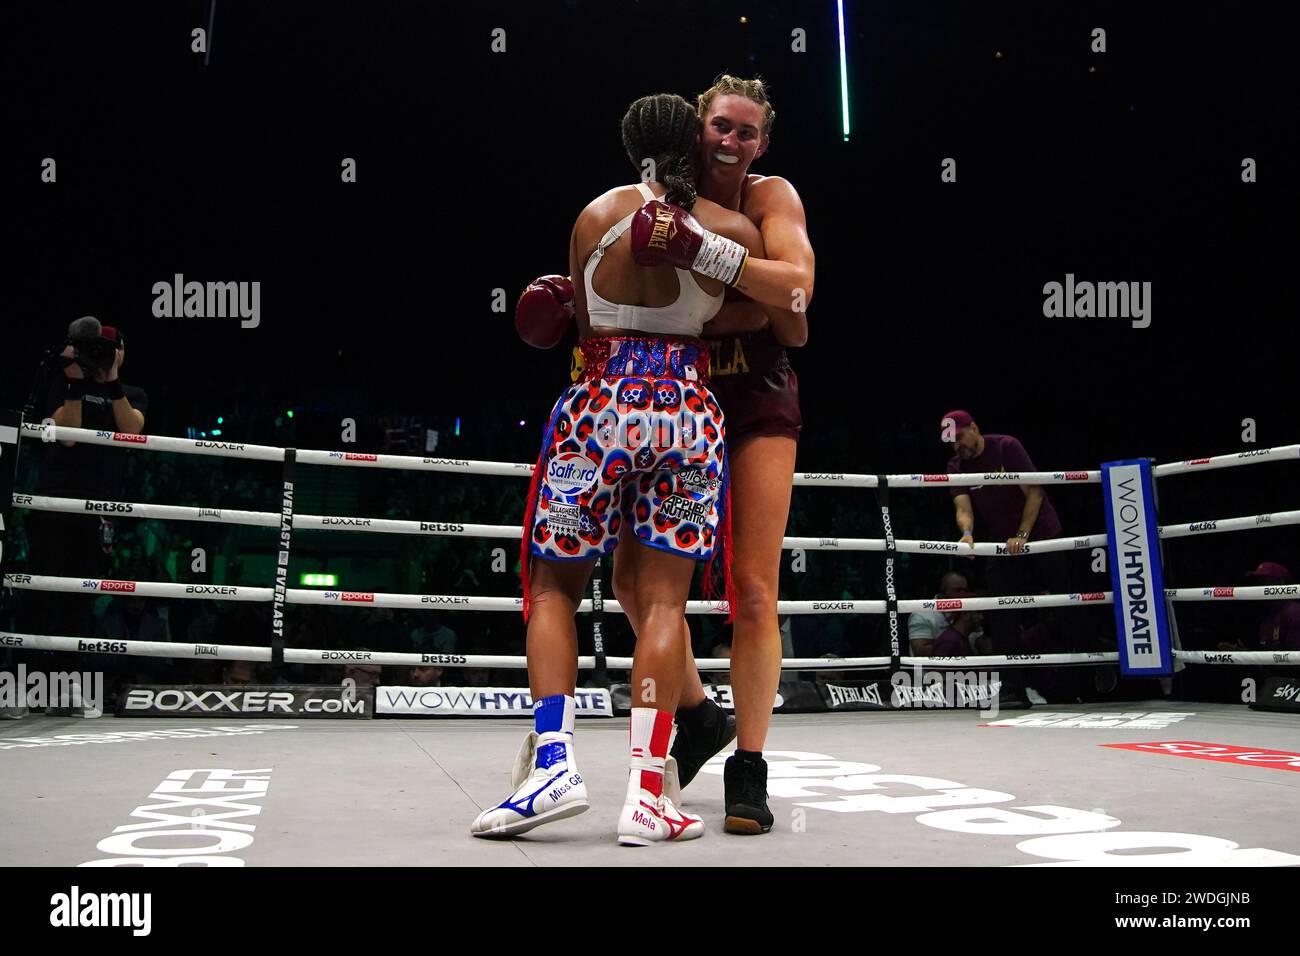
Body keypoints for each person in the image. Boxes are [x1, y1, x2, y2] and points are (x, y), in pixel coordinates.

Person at [475, 93, 768, 845]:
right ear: (695, 148)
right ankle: (645, 794)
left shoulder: (594, 215)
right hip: (688, 409)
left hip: (600, 402)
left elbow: (575, 320)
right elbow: (767, 311)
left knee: (551, 590)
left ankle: (553, 765)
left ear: (627, 144)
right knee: (665, 603)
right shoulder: (730, 229)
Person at [623, 75, 815, 836]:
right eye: (720, 128)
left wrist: (708, 258)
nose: (730, 141)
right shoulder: (659, 192)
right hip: (675, 393)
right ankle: (702, 716)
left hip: (759, 396)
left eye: (746, 132)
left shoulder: (773, 199)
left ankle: (750, 767)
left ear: (762, 142)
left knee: (753, 585)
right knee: (634, 584)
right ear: (698, 128)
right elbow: (635, 289)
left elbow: (797, 303)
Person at [20, 318, 147, 644]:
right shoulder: (62, 384)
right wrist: (76, 381)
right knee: (43, 593)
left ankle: (73, 677)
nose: (100, 354)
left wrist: (112, 379)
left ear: (121, 353)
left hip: (99, 509)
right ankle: (33, 674)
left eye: (108, 349)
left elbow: (131, 431)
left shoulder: (133, 394)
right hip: (54, 503)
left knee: (83, 596)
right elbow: (67, 438)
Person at [1217, 562, 1300, 652]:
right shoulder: (1266, 615)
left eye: (1265, 580)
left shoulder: (1294, 612)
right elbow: (1265, 659)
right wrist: (1244, 656)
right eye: (1259, 580)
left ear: (1281, 582)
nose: (1260, 584)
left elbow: (1294, 660)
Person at [908, 571, 970, 657]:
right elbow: (920, 652)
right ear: (943, 591)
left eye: (965, 590)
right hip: (931, 669)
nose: (963, 594)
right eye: (958, 590)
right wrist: (951, 642)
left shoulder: (966, 611)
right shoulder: (923, 613)